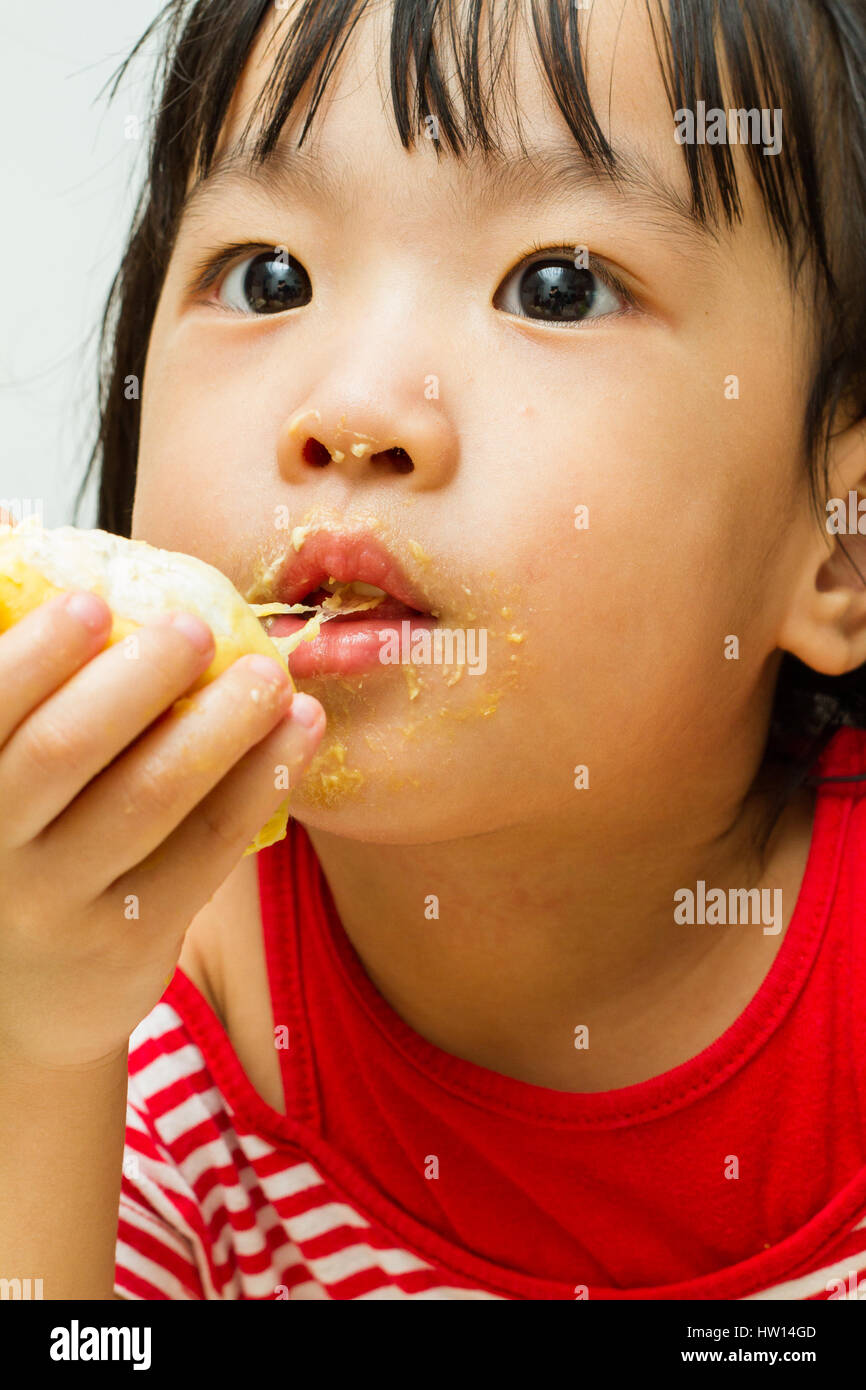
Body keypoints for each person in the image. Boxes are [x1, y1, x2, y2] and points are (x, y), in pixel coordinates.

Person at [2, 0, 866, 1300]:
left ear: (837, 546)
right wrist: (44, 1049)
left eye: (556, 285)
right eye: (267, 277)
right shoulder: (149, 1002)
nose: (351, 411)